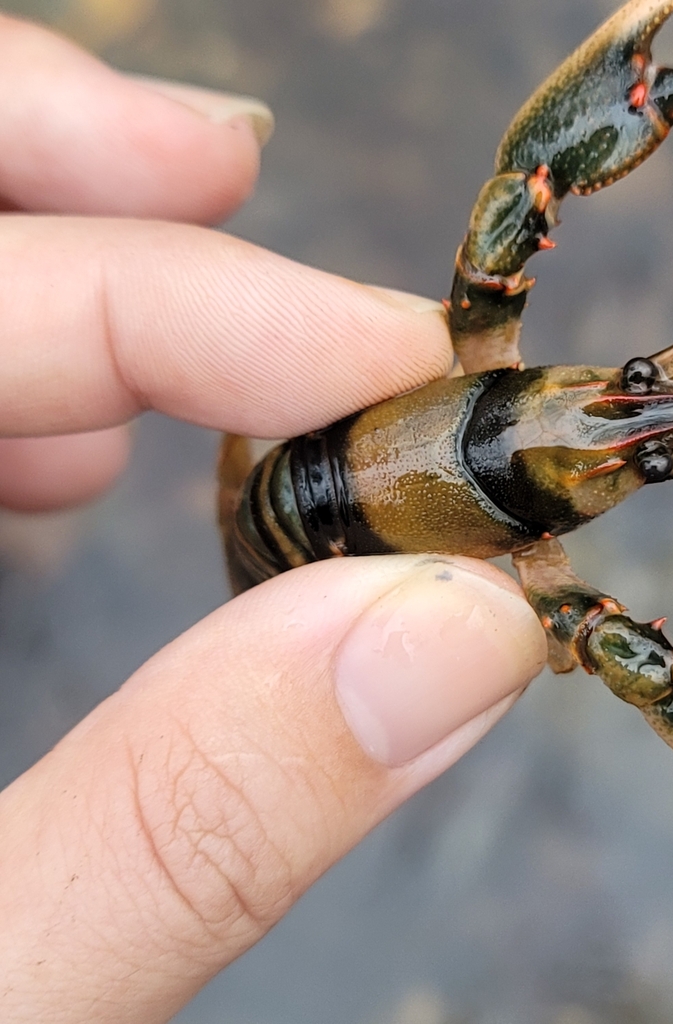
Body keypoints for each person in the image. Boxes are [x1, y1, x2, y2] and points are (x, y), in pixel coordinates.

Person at [0, 14, 547, 1021]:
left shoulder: (483, 346)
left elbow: (518, 202)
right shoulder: (540, 554)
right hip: (284, 529)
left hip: (286, 514)